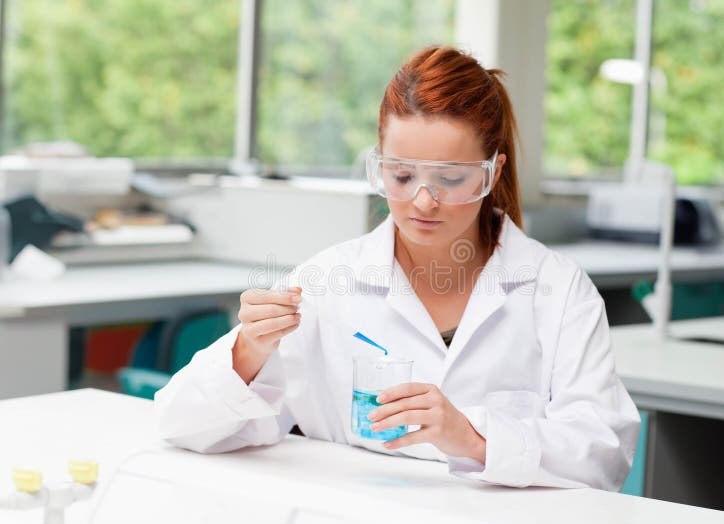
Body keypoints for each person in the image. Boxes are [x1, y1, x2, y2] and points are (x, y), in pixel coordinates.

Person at [154, 46, 640, 489]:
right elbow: (181, 424)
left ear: (492, 172)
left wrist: (473, 438)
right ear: (378, 163)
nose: (423, 201)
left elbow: (606, 453)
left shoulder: (557, 288)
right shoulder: (327, 282)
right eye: (401, 175)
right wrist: (248, 351)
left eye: (451, 178)